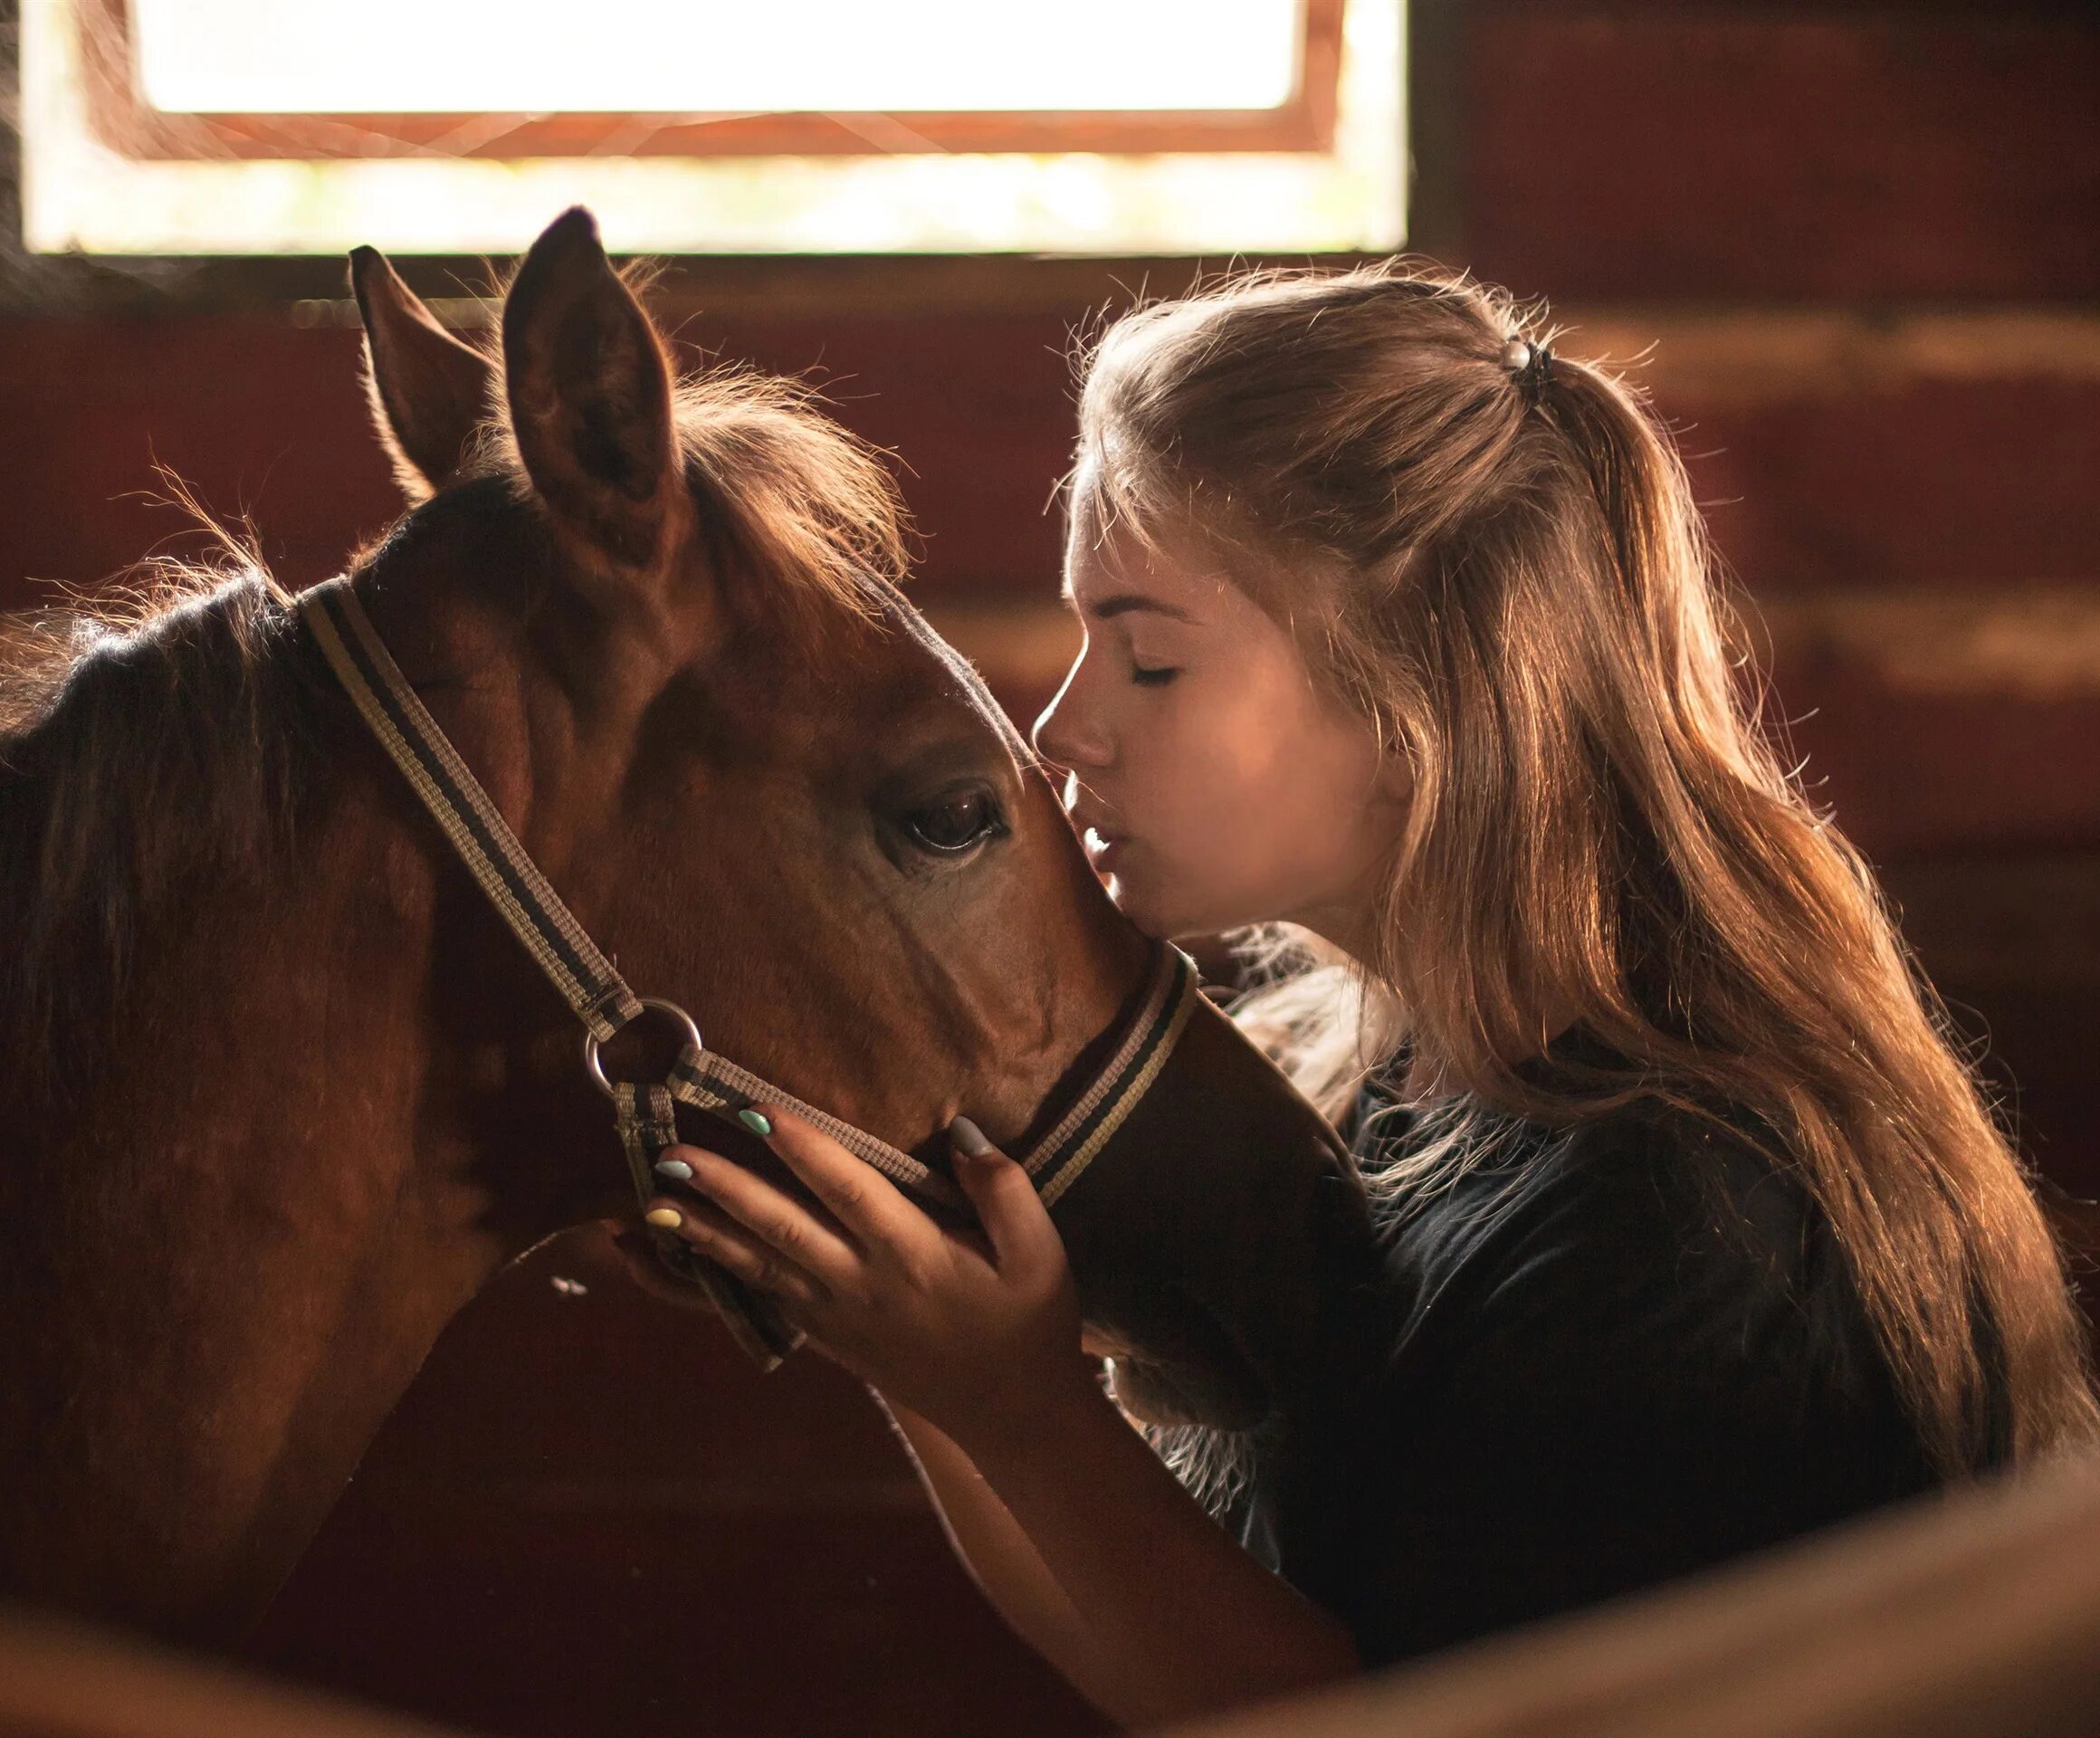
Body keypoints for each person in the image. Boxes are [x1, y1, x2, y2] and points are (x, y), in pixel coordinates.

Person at [606, 263, 2100, 1730]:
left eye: (1148, 659)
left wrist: (1026, 1413)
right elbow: (1171, 1662)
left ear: (1415, 702)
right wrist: (924, 1367)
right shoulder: (1369, 1076)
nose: (1065, 726)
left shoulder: (1692, 1217)